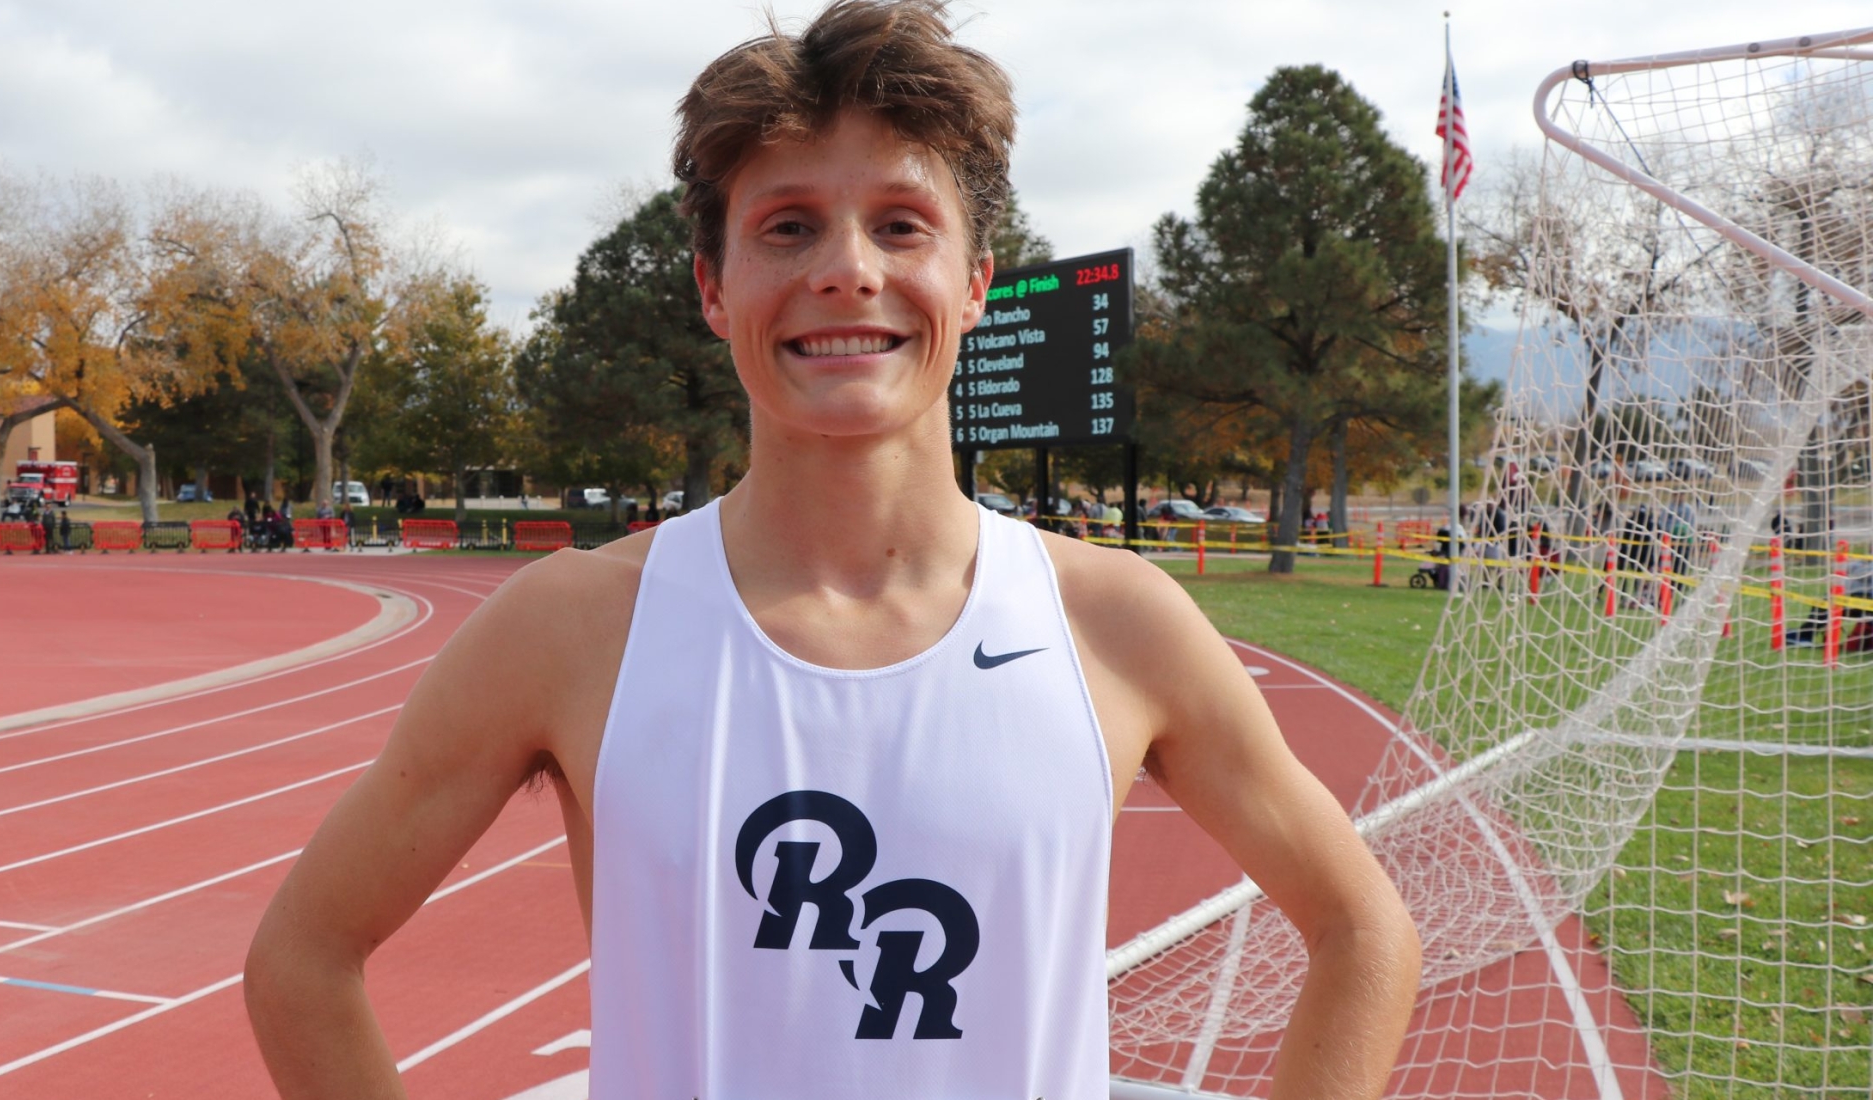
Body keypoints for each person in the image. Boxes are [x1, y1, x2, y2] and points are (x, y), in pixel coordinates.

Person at [246, 7, 1417, 1100]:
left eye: (901, 223)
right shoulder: (572, 624)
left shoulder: (1115, 620)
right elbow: (302, 956)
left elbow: (1364, 930)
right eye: (787, 225)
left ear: (973, 284)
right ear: (714, 285)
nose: (846, 267)